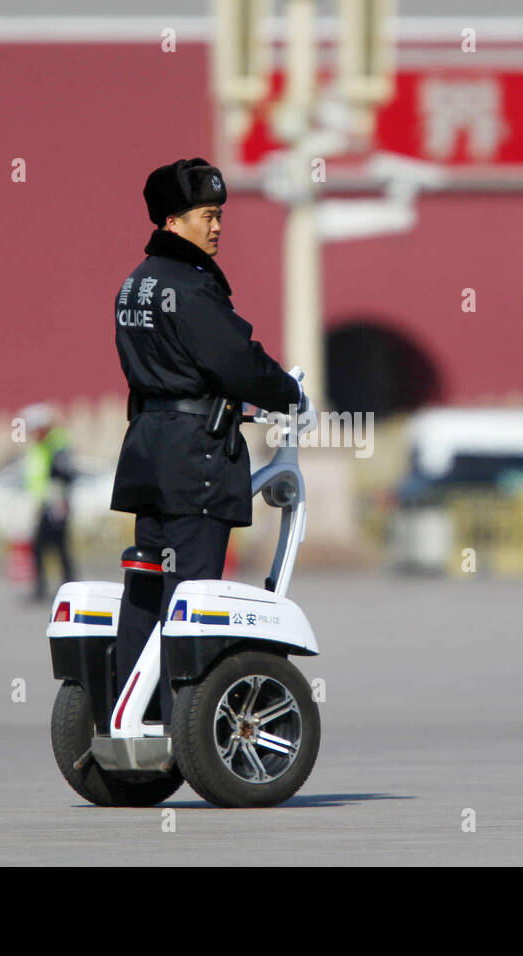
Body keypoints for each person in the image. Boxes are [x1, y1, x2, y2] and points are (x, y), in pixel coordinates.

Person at [110, 157, 307, 723]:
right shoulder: (190, 288)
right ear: (173, 221)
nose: (216, 226)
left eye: (219, 215)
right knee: (194, 593)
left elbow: (174, 369)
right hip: (195, 458)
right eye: (205, 215)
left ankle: (134, 714)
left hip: (149, 450)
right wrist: (289, 396)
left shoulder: (135, 285)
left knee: (148, 586)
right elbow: (236, 361)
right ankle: (185, 725)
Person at [22, 403, 75, 602]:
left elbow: (63, 475)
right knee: (46, 546)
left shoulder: (56, 445)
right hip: (44, 504)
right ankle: (56, 585)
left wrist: (58, 504)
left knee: (57, 546)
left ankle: (65, 586)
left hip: (56, 503)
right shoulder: (41, 446)